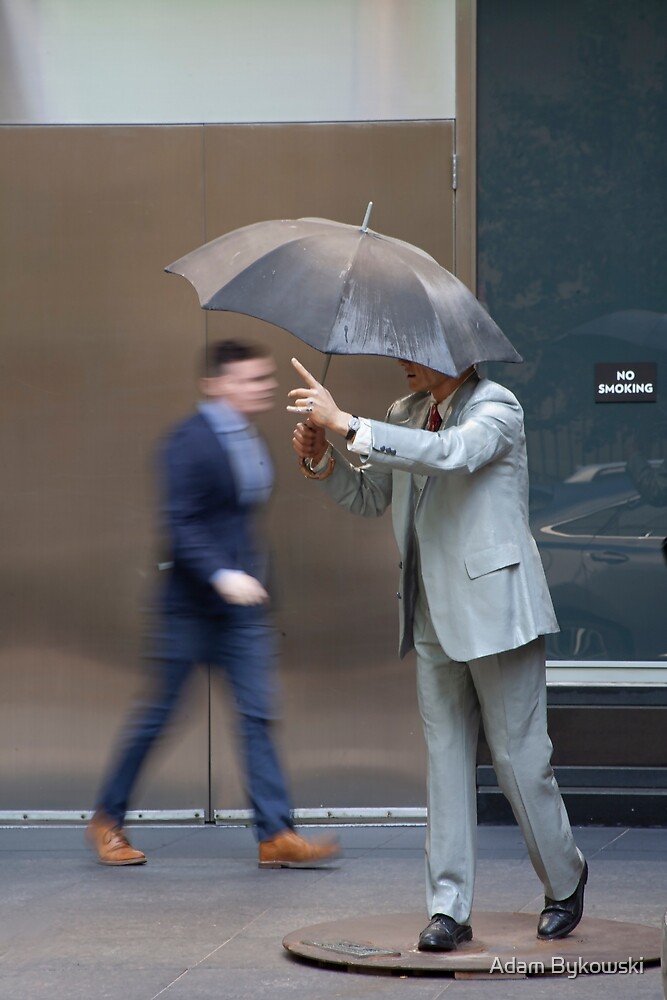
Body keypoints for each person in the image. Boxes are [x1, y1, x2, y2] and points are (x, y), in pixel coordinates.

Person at [287, 355, 586, 951]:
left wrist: (346, 421)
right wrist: (322, 456)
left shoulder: (497, 407)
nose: (403, 363)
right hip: (429, 614)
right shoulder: (406, 413)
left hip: (498, 614)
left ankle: (565, 878)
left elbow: (450, 455)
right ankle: (448, 908)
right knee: (445, 765)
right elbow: (373, 496)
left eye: (416, 353)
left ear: (456, 357)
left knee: (520, 761)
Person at [87, 340, 339, 870]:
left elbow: (238, 518)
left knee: (257, 714)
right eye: (250, 379)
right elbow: (181, 524)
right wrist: (223, 574)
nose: (263, 387)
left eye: (264, 378)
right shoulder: (187, 442)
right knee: (158, 716)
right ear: (216, 385)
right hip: (190, 608)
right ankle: (107, 820)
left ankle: (275, 834)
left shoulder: (253, 441)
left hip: (243, 611)